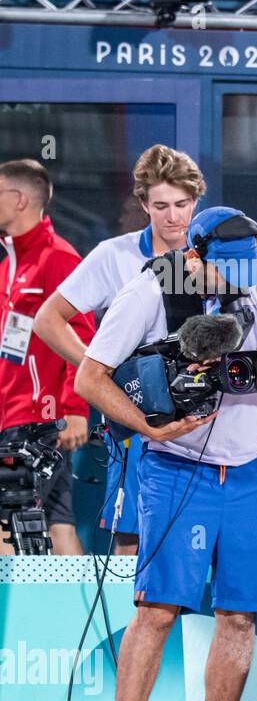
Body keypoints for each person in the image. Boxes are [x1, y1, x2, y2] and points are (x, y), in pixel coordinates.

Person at [74, 206, 257, 701]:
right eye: (228, 267)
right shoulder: (149, 289)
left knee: (240, 616)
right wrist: (149, 426)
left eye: (248, 265)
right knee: (157, 610)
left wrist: (228, 369)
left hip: (251, 471)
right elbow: (90, 378)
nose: (242, 277)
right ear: (194, 256)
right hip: (175, 469)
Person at [34, 144, 205, 556]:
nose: (173, 216)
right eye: (160, 205)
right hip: (137, 419)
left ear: (196, 200)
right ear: (143, 204)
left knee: (199, 542)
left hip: (206, 421)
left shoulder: (217, 256)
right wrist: (102, 373)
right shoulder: (115, 255)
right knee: (131, 542)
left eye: (182, 204)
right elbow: (47, 319)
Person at [0, 159, 94, 556]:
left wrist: (75, 407)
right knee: (59, 526)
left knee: (6, 524)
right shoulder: (8, 264)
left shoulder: (59, 258)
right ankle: (82, 603)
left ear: (19, 199)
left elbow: (83, 336)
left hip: (40, 419)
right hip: (14, 418)